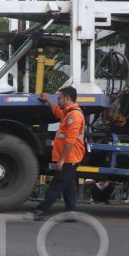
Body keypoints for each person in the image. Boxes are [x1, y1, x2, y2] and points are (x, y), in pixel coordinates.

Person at [32, 85, 86, 221]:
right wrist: (48, 100)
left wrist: (61, 160)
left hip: (69, 157)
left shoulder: (74, 116)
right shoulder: (68, 113)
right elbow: (57, 111)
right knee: (69, 186)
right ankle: (71, 213)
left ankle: (39, 210)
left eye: (60, 98)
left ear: (67, 98)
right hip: (70, 157)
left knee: (57, 186)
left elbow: (70, 140)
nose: (58, 100)